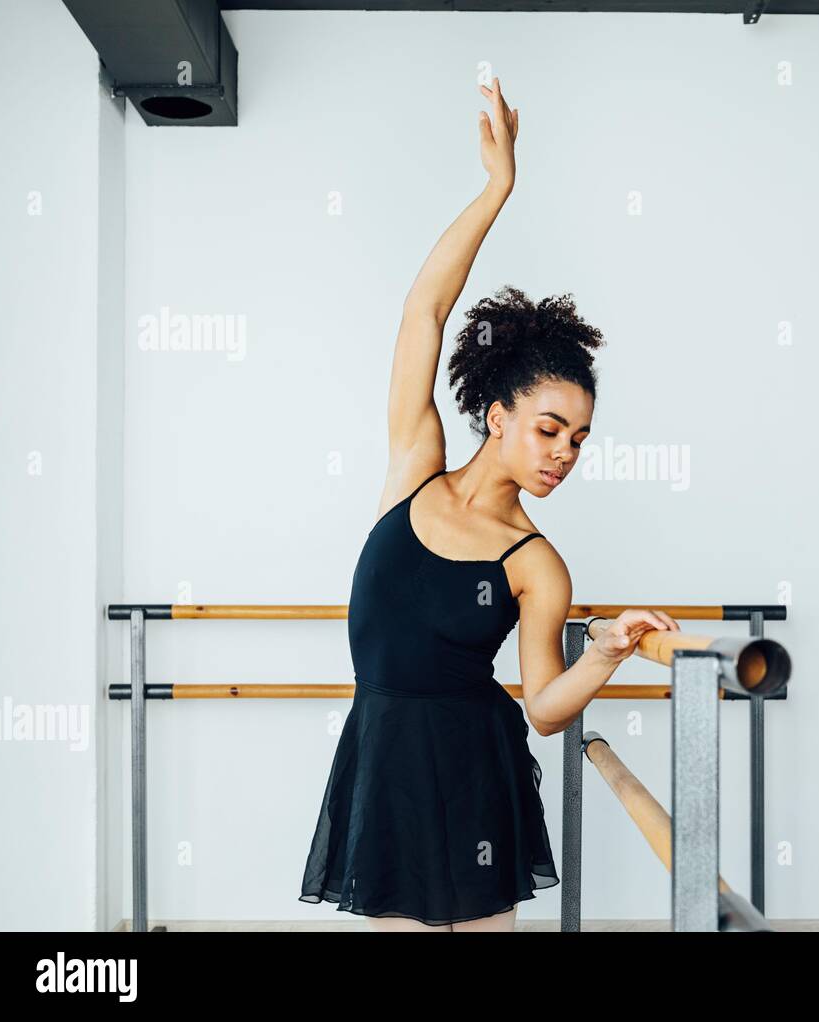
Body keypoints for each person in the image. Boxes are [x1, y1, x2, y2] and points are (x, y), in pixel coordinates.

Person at [298, 76, 679, 932]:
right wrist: (498, 187)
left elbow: (543, 709)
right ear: (497, 414)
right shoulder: (413, 469)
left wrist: (608, 650)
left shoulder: (534, 561)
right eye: (550, 429)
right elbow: (423, 312)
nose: (564, 453)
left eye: (579, 439)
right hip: (383, 756)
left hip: (475, 768)